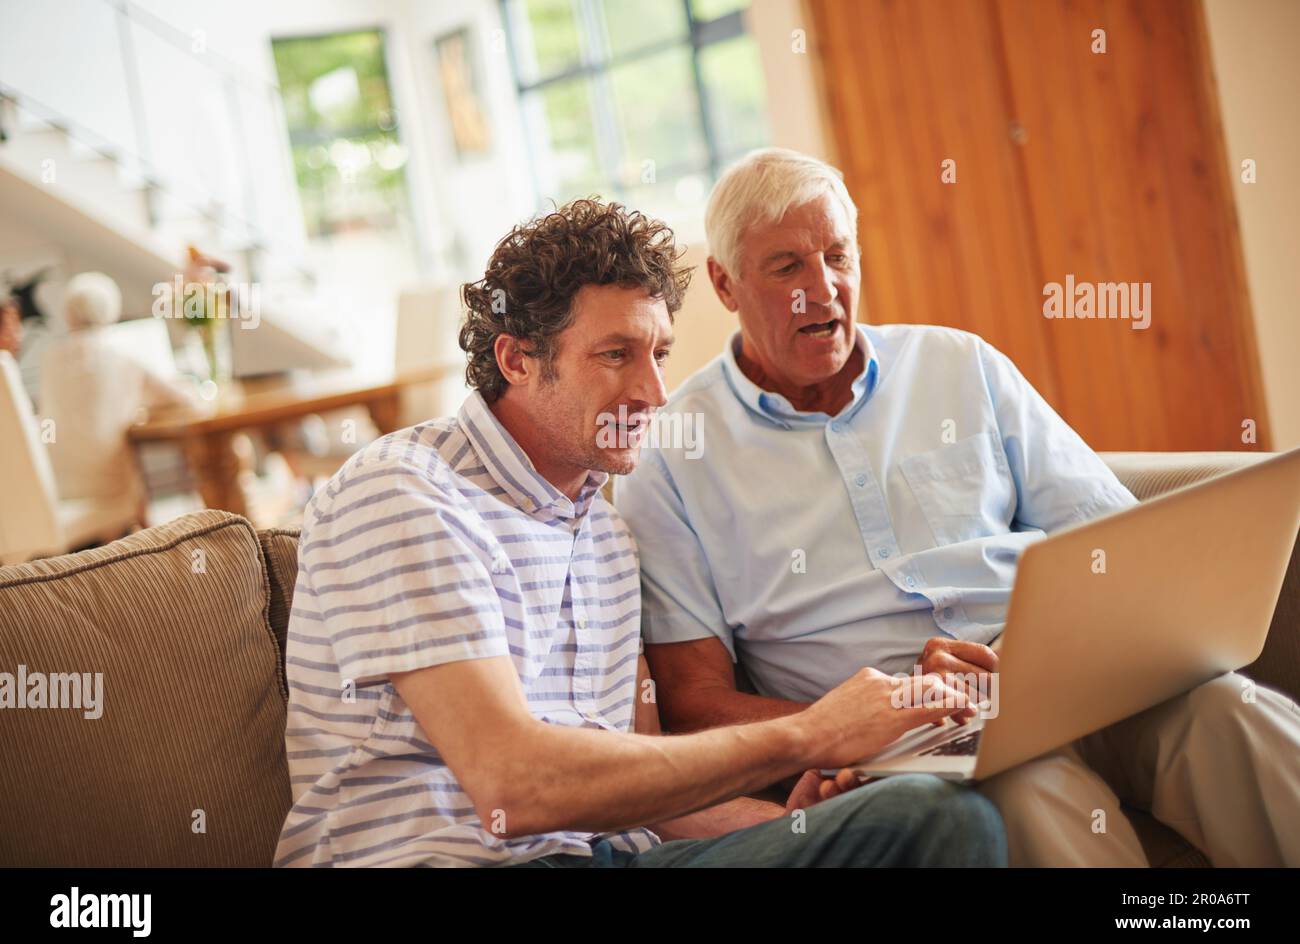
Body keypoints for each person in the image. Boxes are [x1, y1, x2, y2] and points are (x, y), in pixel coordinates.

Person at [614, 147, 1300, 867]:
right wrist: (873, 717)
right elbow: (694, 703)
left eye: (837, 256)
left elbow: (1120, 544)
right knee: (1031, 794)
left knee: (1229, 713)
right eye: (787, 267)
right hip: (923, 739)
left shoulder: (960, 366)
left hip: (1069, 672)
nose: (822, 290)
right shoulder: (671, 454)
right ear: (725, 283)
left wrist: (1037, 655)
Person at [273, 198, 1007, 868]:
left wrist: (787, 820)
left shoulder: (605, 535)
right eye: (616, 354)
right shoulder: (407, 494)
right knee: (932, 821)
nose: (656, 392)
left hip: (605, 858)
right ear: (517, 358)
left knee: (927, 815)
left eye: (659, 354)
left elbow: (646, 788)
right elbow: (511, 787)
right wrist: (809, 732)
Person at [38, 271, 202, 512]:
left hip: (59, 489)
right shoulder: (121, 357)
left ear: (67, 314)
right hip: (112, 490)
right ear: (110, 311)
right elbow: (188, 401)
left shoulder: (49, 361)